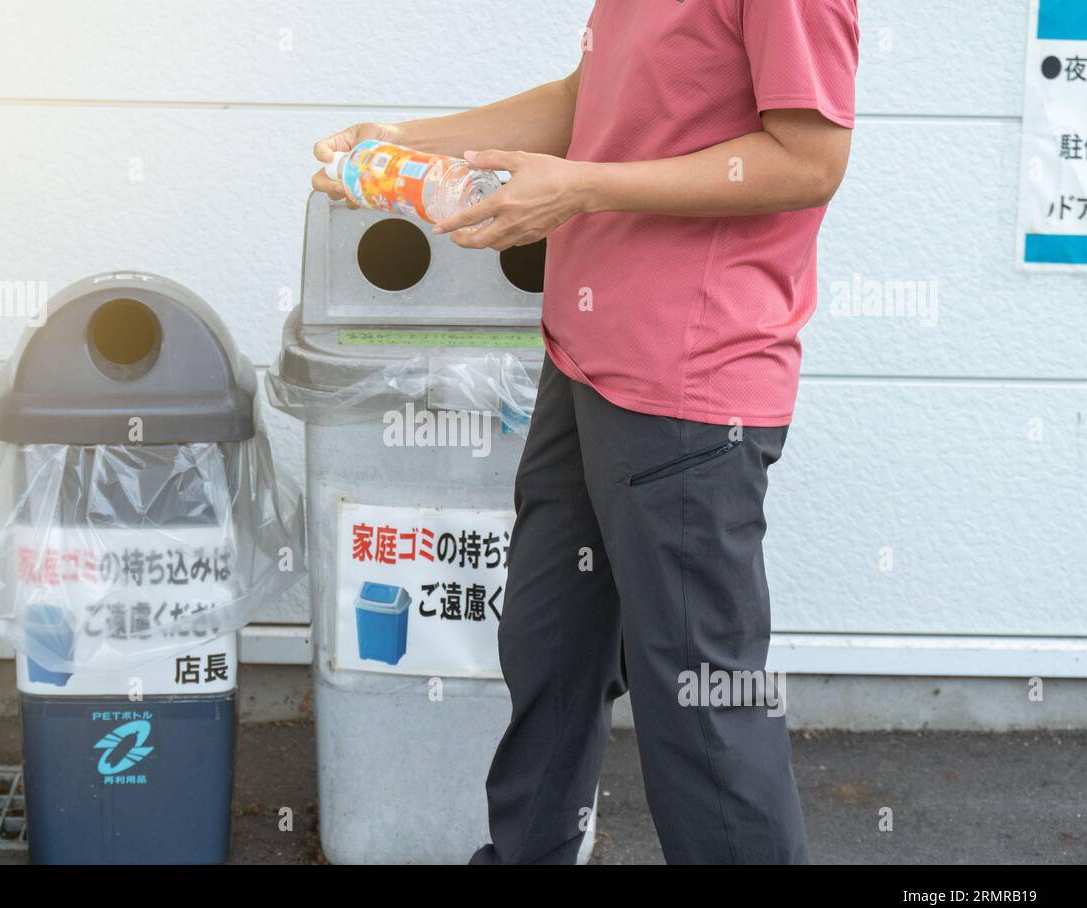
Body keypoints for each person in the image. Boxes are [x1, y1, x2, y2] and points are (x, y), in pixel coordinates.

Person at [311, 0, 859, 864]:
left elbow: (811, 158)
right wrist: (412, 141)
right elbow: (588, 99)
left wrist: (584, 186)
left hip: (687, 385)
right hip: (584, 361)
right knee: (549, 650)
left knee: (701, 705)